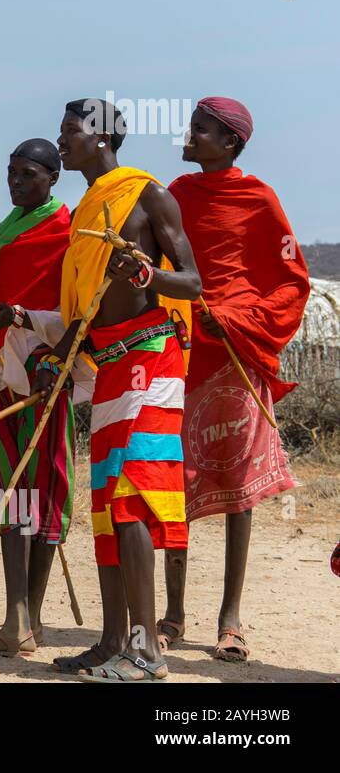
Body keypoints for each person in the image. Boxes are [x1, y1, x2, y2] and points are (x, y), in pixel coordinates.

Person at [44, 99, 202, 682]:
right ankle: (113, 640)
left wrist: (145, 274)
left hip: (151, 356)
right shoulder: (84, 210)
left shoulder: (148, 194)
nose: (61, 140)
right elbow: (88, 309)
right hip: (108, 362)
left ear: (103, 136)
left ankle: (148, 651)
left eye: (70, 131)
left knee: (131, 498)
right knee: (108, 507)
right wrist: (54, 360)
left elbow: (191, 280)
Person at [158, 97, 310, 663]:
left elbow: (292, 279)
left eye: (201, 130)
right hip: (183, 349)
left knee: (237, 489)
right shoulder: (174, 195)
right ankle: (172, 613)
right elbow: (164, 270)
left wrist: (237, 319)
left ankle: (230, 616)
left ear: (230, 143)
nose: (190, 136)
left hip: (237, 356)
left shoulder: (259, 199)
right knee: (173, 481)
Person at [0, 138, 85, 657]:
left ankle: (25, 619)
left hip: (47, 369)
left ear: (52, 178)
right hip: (2, 369)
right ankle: (20, 619)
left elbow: (74, 307)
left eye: (27, 174)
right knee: (13, 488)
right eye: (10, 173)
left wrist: (26, 321)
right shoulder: (8, 229)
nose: (15, 182)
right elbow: (1, 309)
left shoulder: (69, 230)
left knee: (45, 486)